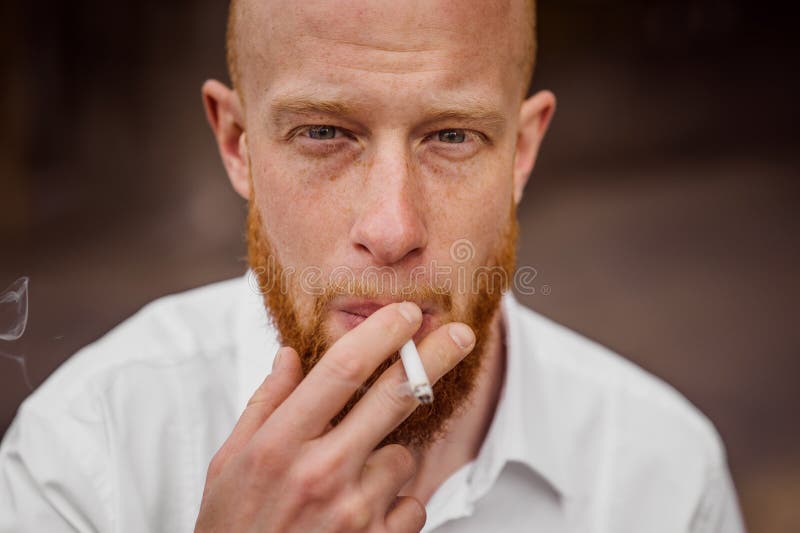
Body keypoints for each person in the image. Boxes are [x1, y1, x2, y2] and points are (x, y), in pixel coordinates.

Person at [0, 1, 746, 531]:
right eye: (324, 132)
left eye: (451, 136)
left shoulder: (666, 477)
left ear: (521, 152)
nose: (392, 230)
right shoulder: (85, 455)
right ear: (237, 144)